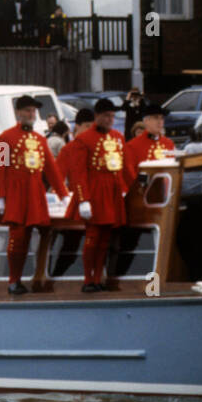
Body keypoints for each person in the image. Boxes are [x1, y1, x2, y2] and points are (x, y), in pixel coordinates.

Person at [0, 95, 67, 295]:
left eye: (33, 111)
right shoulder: (4, 138)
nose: (31, 114)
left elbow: (52, 170)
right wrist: (0, 196)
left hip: (35, 194)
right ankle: (13, 280)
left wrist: (64, 194)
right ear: (18, 112)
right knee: (18, 237)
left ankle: (40, 279)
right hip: (15, 194)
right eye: (27, 111)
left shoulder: (41, 139)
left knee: (42, 235)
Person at [59, 100, 128, 293]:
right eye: (106, 116)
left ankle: (98, 278)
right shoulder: (84, 140)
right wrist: (82, 199)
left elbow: (122, 165)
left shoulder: (117, 137)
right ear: (96, 116)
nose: (110, 120)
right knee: (93, 237)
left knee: (105, 238)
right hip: (95, 192)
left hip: (111, 192)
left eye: (112, 116)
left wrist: (123, 187)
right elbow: (78, 172)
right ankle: (88, 279)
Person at [123, 103, 176, 187]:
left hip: (166, 194)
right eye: (155, 118)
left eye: (162, 118)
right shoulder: (132, 146)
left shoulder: (169, 143)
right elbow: (129, 175)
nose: (160, 122)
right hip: (144, 194)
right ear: (146, 121)